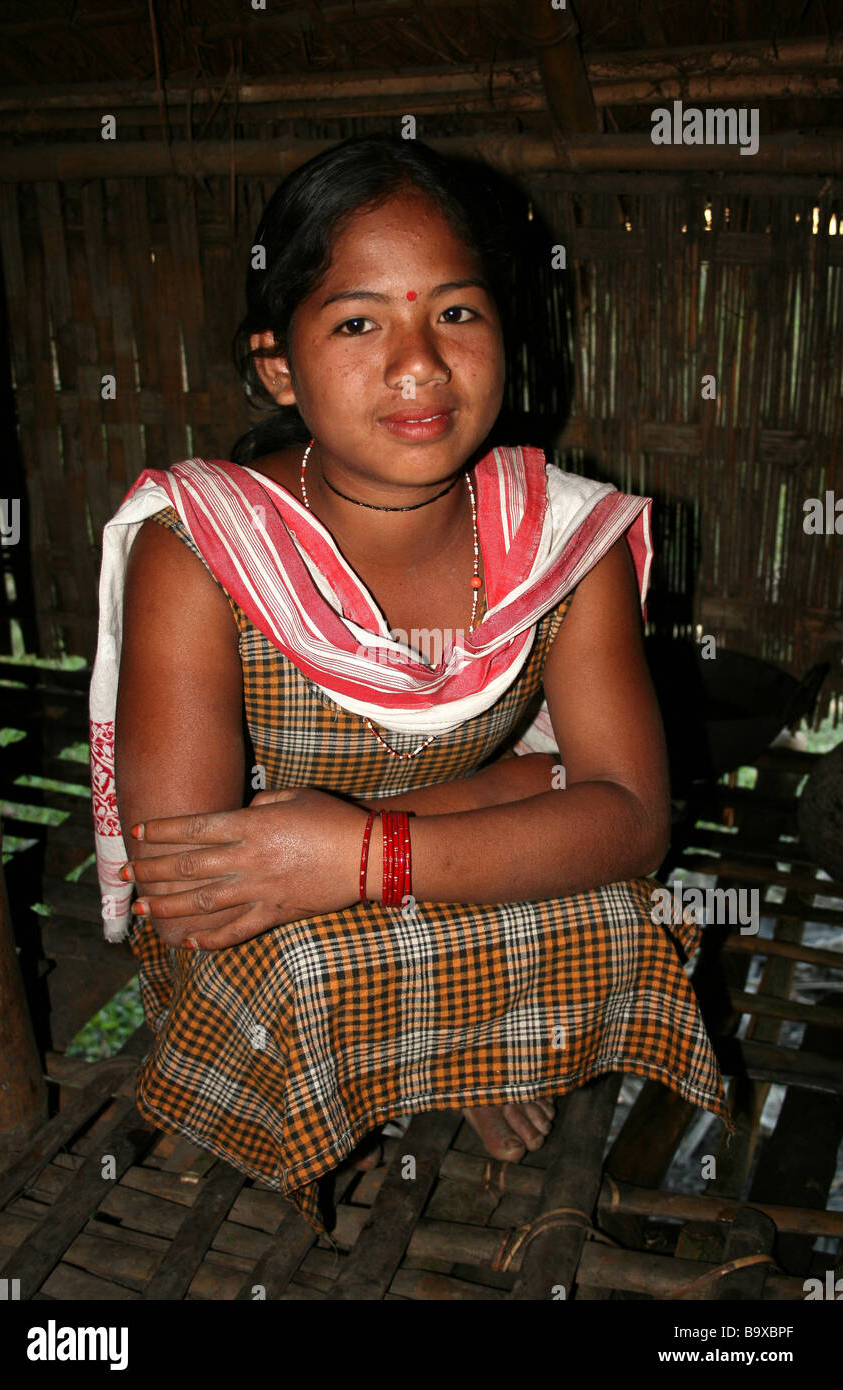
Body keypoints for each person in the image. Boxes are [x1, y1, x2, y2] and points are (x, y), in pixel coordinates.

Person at [89, 134, 730, 1235]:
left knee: (627, 912)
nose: (419, 363)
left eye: (456, 312)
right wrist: (511, 799)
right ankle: (445, 1048)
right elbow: (200, 880)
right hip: (267, 915)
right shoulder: (200, 549)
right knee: (287, 953)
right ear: (277, 364)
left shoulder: (558, 540)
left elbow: (630, 820)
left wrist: (358, 852)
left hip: (351, 869)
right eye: (356, 321)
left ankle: (434, 1051)